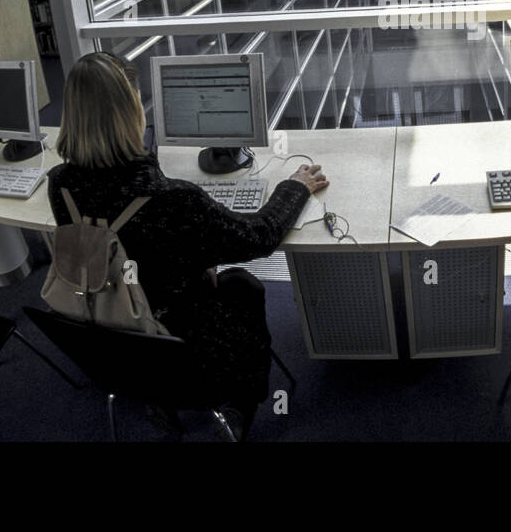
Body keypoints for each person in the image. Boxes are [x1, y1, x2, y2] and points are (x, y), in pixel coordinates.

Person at [46, 51, 328, 438]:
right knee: (242, 284)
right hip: (185, 349)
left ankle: (158, 402)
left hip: (113, 333)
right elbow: (259, 236)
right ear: (131, 112)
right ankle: (240, 403)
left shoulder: (61, 184)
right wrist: (293, 187)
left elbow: (120, 239)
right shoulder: (175, 199)